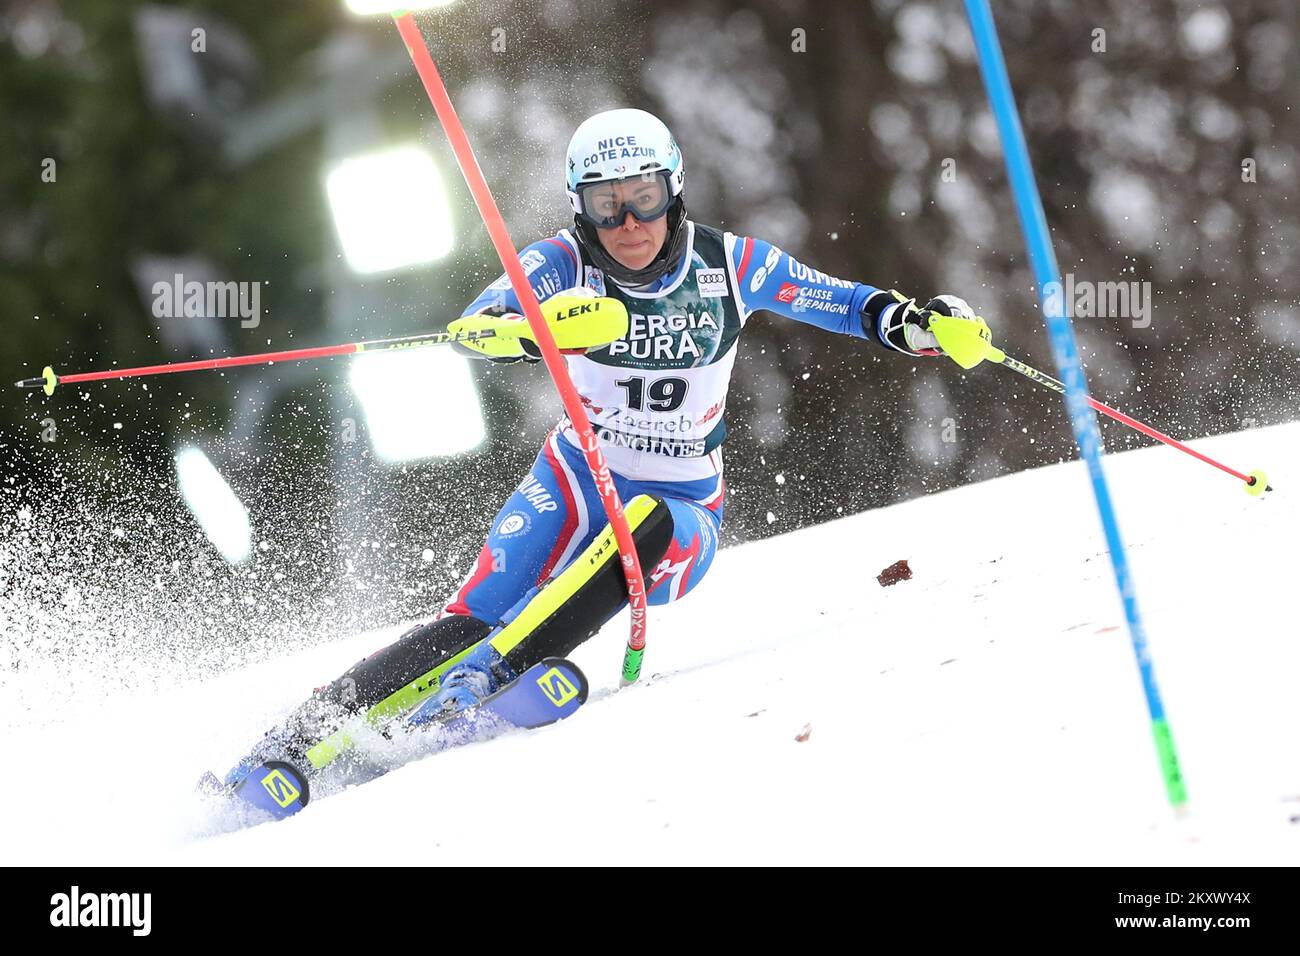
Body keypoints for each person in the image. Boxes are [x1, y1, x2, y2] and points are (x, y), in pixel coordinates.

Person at [225, 108, 994, 780]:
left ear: (674, 190)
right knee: (475, 612)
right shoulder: (561, 262)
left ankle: (498, 674)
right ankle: (297, 741)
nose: (629, 223)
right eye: (606, 204)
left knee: (650, 518)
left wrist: (931, 325)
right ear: (581, 208)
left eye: (645, 198)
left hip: (684, 507)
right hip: (574, 479)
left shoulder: (730, 265)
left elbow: (851, 306)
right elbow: (477, 329)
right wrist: (544, 327)